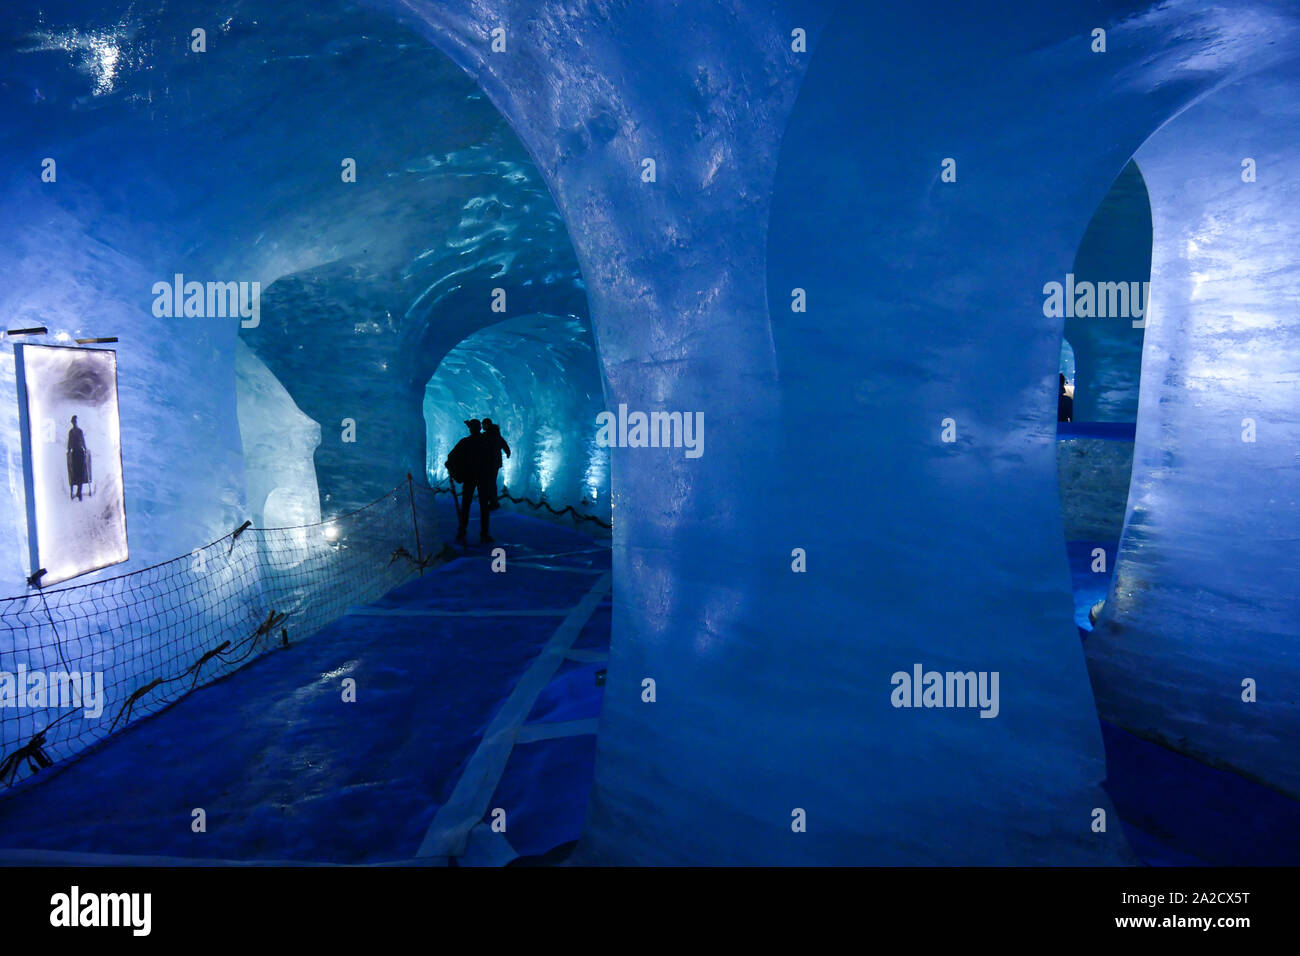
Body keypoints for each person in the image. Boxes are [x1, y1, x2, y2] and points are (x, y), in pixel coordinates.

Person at [446, 419, 495, 544]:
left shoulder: (465, 442)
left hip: (469, 477)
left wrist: (452, 469)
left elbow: (451, 457)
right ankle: (484, 534)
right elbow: (492, 460)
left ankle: (462, 531)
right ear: (479, 428)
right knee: (484, 506)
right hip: (483, 478)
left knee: (466, 505)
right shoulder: (486, 442)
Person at [481, 418, 511, 510]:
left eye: (484, 424)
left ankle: (493, 502)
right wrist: (507, 452)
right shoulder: (496, 434)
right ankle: (493, 501)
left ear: (487, 425)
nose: (482, 426)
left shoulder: (487, 435)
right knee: (491, 482)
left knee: (490, 483)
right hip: (495, 463)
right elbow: (504, 444)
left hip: (489, 463)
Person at [66, 415, 89, 501]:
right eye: (73, 421)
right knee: (74, 473)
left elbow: (83, 441)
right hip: (75, 453)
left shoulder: (80, 431)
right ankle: (76, 492)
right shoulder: (71, 432)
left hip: (80, 453)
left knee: (81, 473)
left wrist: (85, 449)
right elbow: (69, 442)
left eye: (75, 421)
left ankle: (79, 492)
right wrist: (69, 451)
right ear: (72, 422)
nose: (74, 423)